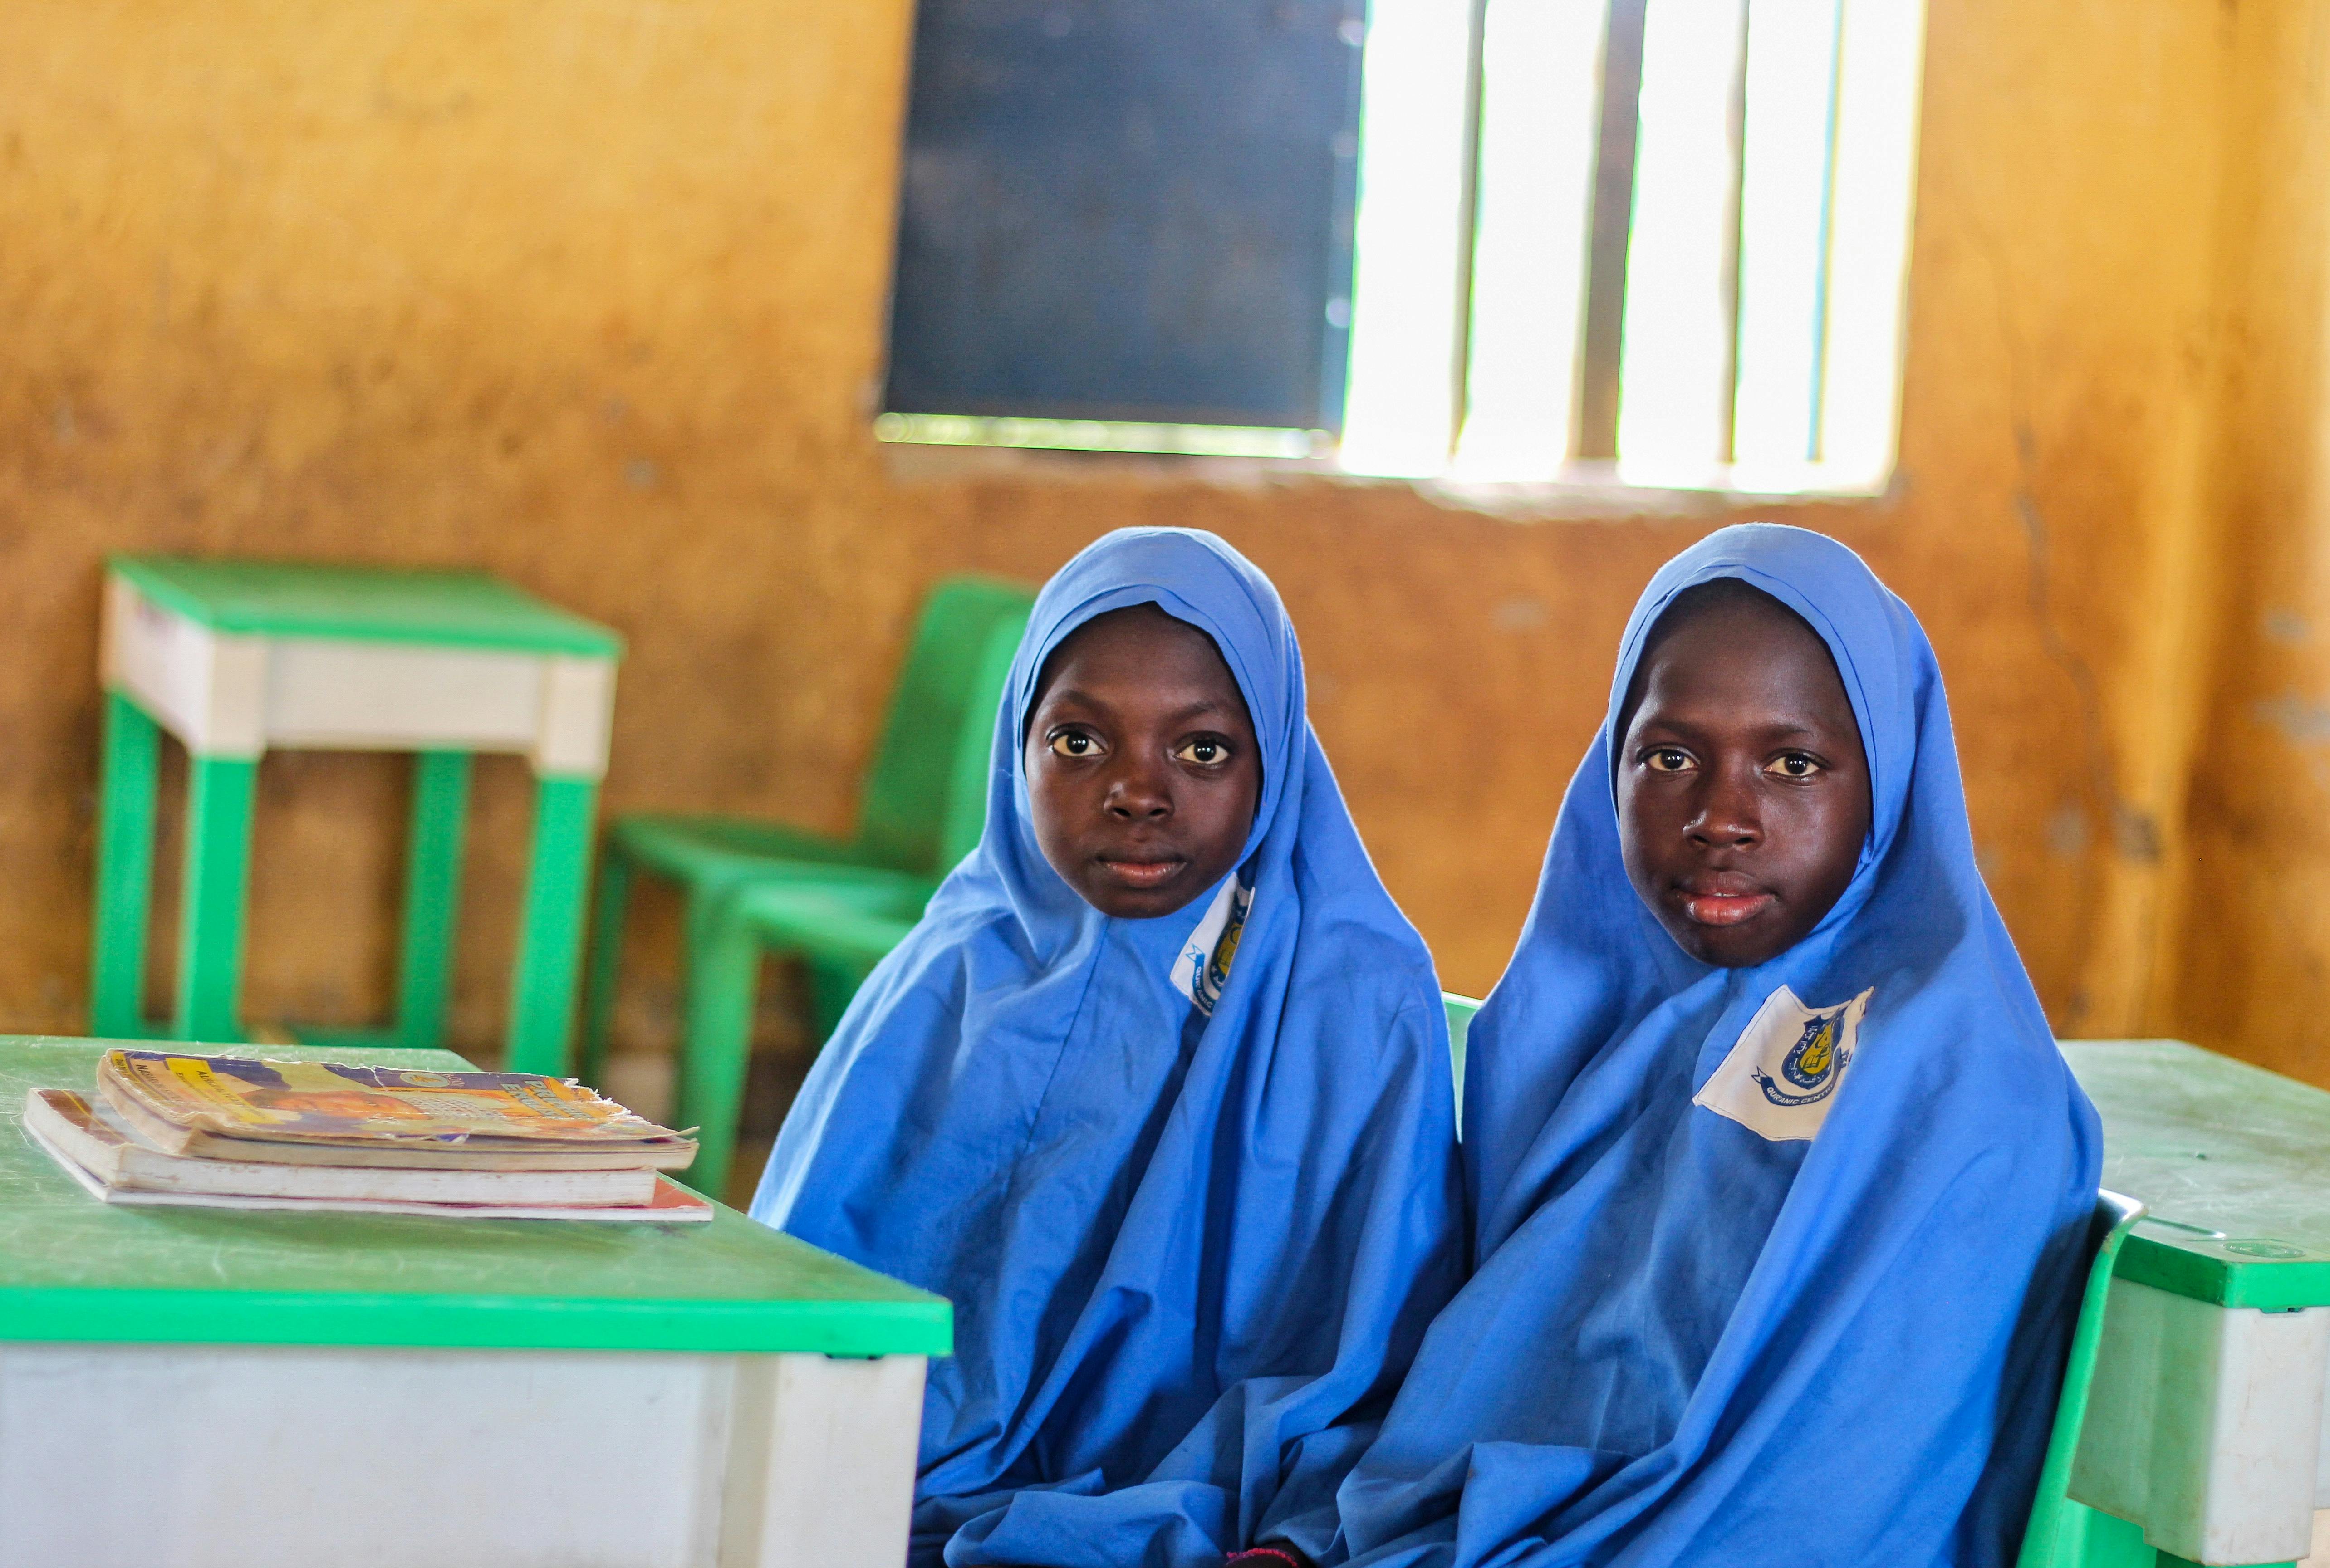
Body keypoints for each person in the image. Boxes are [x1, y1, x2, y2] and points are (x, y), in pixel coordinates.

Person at [1239, 523, 2101, 1568]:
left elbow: (1817, 1502)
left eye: (1793, 763)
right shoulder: (1590, 1026)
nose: (1721, 816)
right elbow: (1472, 1379)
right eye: (1671, 756)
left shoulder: (1946, 1079)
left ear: (1890, 777)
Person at [754, 527, 1464, 1568]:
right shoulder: (953, 968)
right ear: (1018, 748)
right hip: (881, 1476)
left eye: (1203, 749)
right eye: (1081, 744)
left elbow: (1368, 1357)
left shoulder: (1351, 997)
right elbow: (806, 1282)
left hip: (1199, 1496)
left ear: (1278, 755)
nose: (1140, 791)